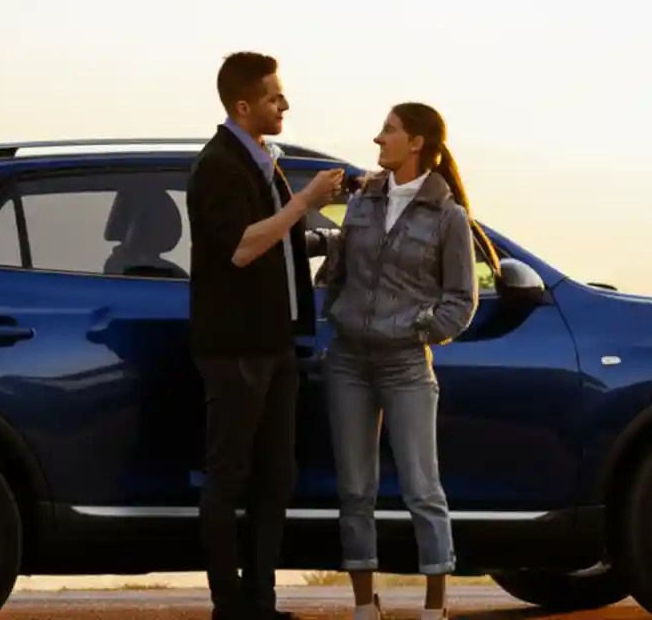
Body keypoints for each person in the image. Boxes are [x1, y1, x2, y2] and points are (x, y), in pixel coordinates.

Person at [186, 51, 344, 619]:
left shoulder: (261, 161)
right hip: (235, 347)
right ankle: (229, 606)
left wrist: (333, 237)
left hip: (275, 345)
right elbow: (244, 246)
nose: (285, 104)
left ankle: (261, 601)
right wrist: (306, 200)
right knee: (229, 475)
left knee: (277, 476)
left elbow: (280, 241)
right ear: (244, 104)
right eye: (275, 96)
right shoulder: (219, 165)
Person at [316, 103, 490, 620]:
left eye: (388, 131)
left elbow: (463, 298)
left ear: (416, 143)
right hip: (348, 359)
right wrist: (338, 312)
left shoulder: (449, 217)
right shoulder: (364, 201)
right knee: (354, 487)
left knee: (421, 487)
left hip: (405, 365)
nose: (377, 138)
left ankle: (435, 607)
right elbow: (338, 270)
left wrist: (421, 329)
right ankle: (364, 604)